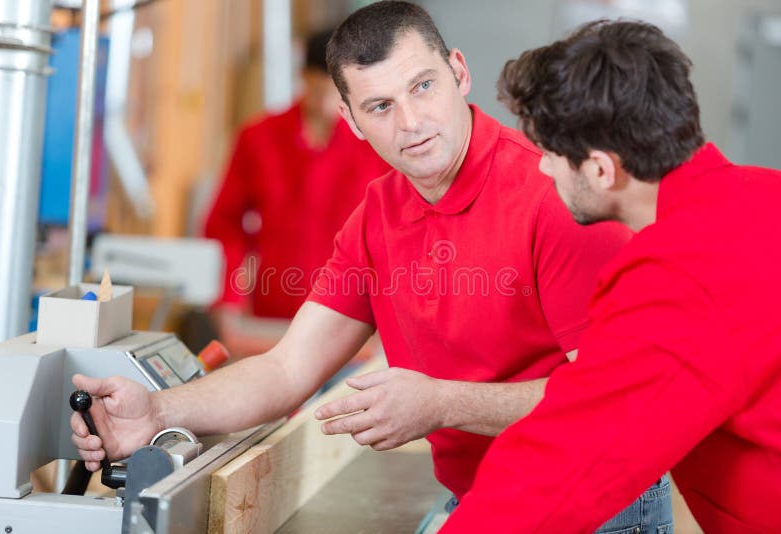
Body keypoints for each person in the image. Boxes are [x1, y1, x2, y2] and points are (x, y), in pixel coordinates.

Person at [71, 4, 662, 531]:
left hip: (594, 504)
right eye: (380, 106)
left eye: (423, 86)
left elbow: (618, 397)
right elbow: (284, 370)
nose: (410, 123)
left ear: (459, 72)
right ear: (352, 120)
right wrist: (159, 412)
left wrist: (440, 403)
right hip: (487, 498)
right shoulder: (377, 216)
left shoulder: (554, 195)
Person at [442, 19, 781, 534]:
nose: (543, 170)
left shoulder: (675, 276)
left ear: (601, 169)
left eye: (552, 155)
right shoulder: (766, 193)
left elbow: (562, 469)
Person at [202, 29, 389, 354]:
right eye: (320, 91)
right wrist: (229, 304)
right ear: (303, 76)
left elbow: (397, 235)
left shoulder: (378, 145)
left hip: (355, 325)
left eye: (342, 95)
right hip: (270, 321)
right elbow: (223, 226)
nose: (330, 105)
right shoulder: (257, 138)